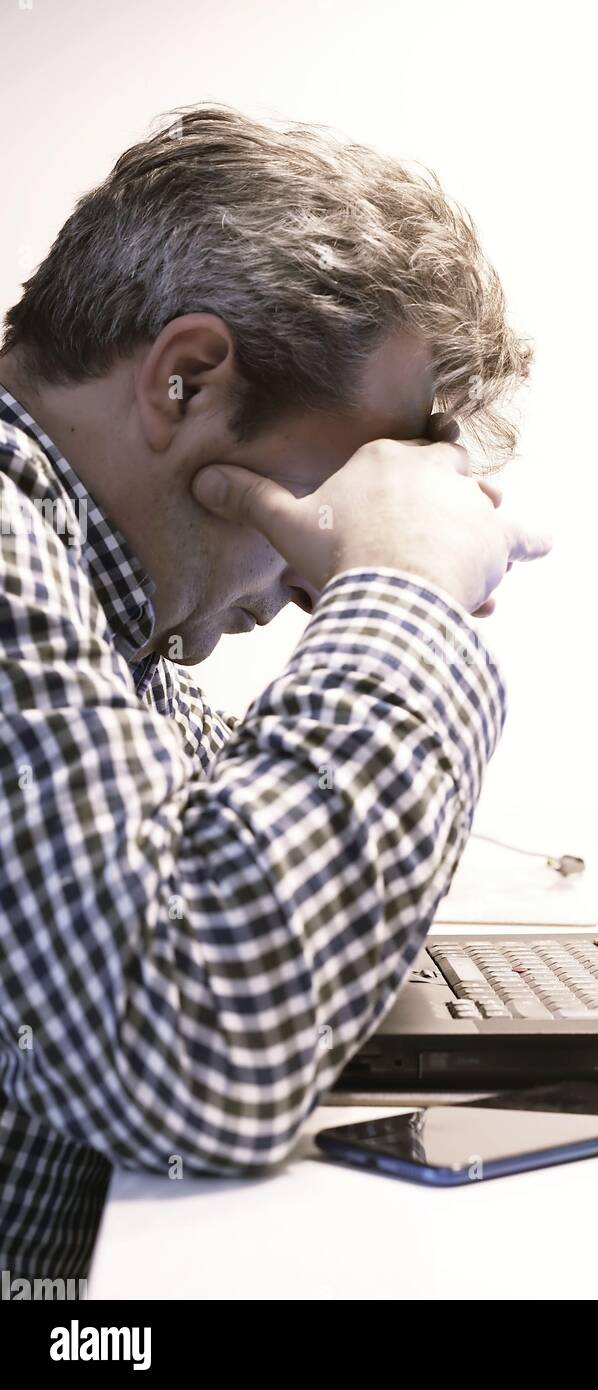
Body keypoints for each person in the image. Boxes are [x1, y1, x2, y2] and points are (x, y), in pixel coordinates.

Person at [0, 105, 549, 1283]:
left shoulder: (102, 607)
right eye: (348, 480)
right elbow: (188, 1051)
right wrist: (400, 593)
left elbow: (202, 838)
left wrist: (396, 612)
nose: (314, 576)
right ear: (187, 381)